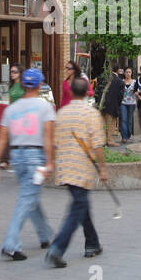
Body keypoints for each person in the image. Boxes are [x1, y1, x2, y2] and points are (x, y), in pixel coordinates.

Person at [0, 67, 55, 260]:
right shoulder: (44, 107)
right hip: (35, 156)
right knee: (27, 198)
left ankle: (45, 235)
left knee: (30, 195)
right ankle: (11, 244)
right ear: (39, 85)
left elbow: (1, 138)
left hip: (17, 157)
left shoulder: (12, 109)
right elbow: (48, 138)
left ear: (23, 85)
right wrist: (50, 162)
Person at [45, 75, 107, 267]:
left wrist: (51, 163)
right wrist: (103, 169)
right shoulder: (91, 114)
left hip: (65, 168)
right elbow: (97, 145)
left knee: (81, 205)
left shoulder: (61, 113)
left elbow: (54, 143)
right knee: (77, 209)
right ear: (88, 92)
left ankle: (92, 243)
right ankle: (57, 248)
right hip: (82, 169)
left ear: (70, 92)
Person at [100, 68, 124, 146]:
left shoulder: (102, 78)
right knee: (112, 123)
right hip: (113, 105)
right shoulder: (119, 81)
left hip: (102, 105)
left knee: (103, 122)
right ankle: (110, 140)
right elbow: (121, 95)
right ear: (117, 71)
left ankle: (103, 140)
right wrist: (118, 103)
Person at [119, 67, 137, 144]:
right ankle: (124, 137)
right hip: (123, 103)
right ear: (124, 73)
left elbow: (138, 91)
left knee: (129, 120)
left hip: (132, 103)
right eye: (127, 72)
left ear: (131, 73)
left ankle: (128, 133)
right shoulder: (121, 82)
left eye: (129, 72)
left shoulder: (135, 82)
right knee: (123, 119)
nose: (128, 73)